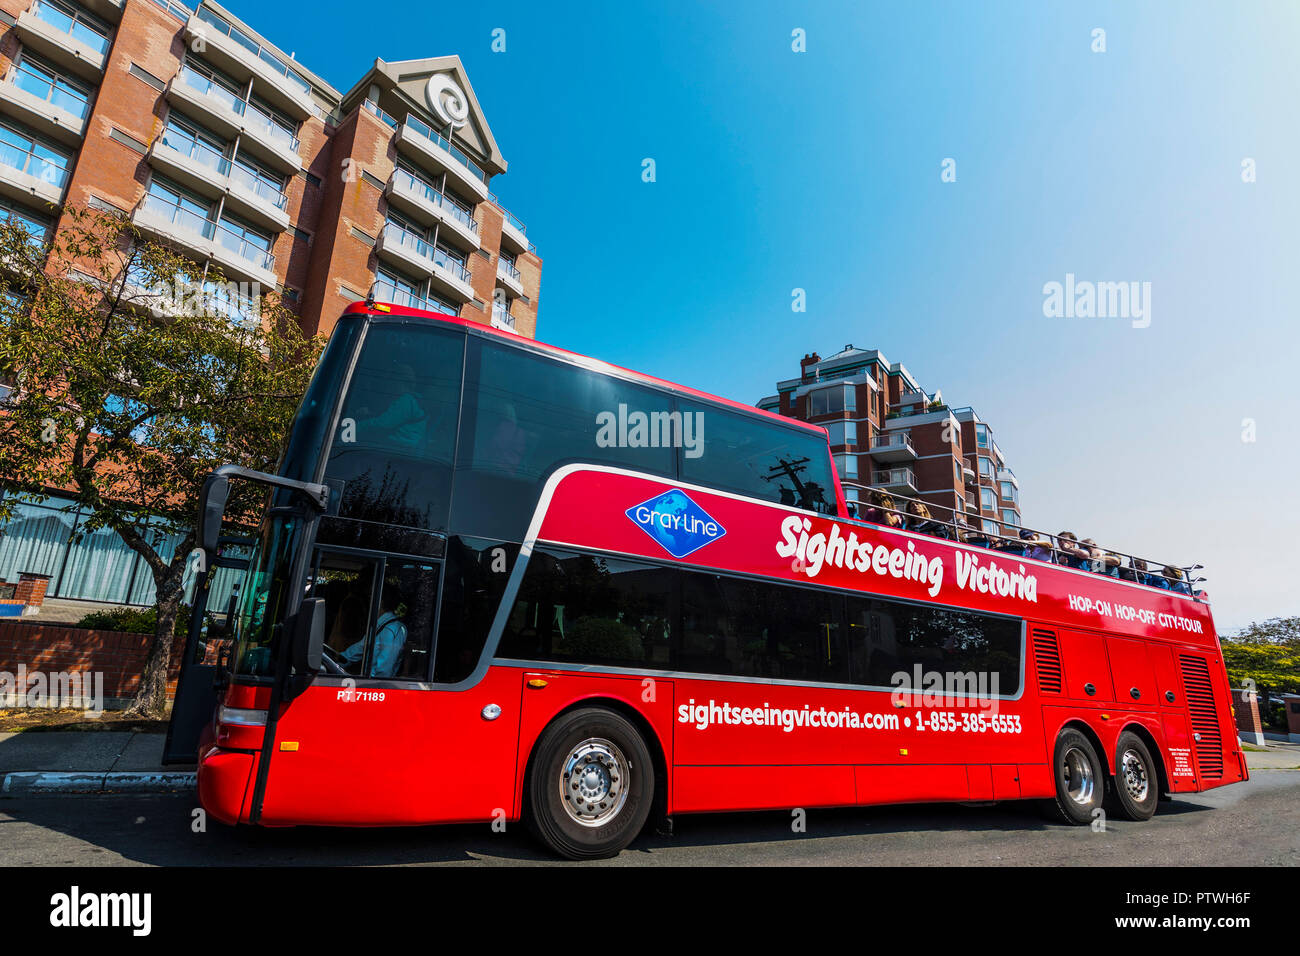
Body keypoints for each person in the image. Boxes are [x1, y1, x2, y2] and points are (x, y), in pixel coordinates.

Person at [341, 588, 408, 678]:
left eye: (371, 598)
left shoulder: (392, 628)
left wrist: (371, 684)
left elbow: (384, 669)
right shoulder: (380, 625)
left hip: (376, 686)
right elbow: (359, 649)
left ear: (381, 602)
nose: (369, 603)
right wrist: (335, 660)